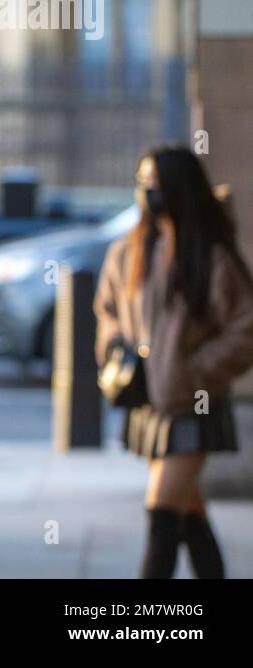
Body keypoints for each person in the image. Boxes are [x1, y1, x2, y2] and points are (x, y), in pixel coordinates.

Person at [93, 144, 253, 578]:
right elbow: (106, 311)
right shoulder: (129, 251)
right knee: (189, 515)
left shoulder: (209, 257)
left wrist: (196, 371)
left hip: (191, 404)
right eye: (142, 183)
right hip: (147, 399)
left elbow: (244, 328)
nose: (148, 193)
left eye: (157, 184)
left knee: (162, 514)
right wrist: (116, 351)